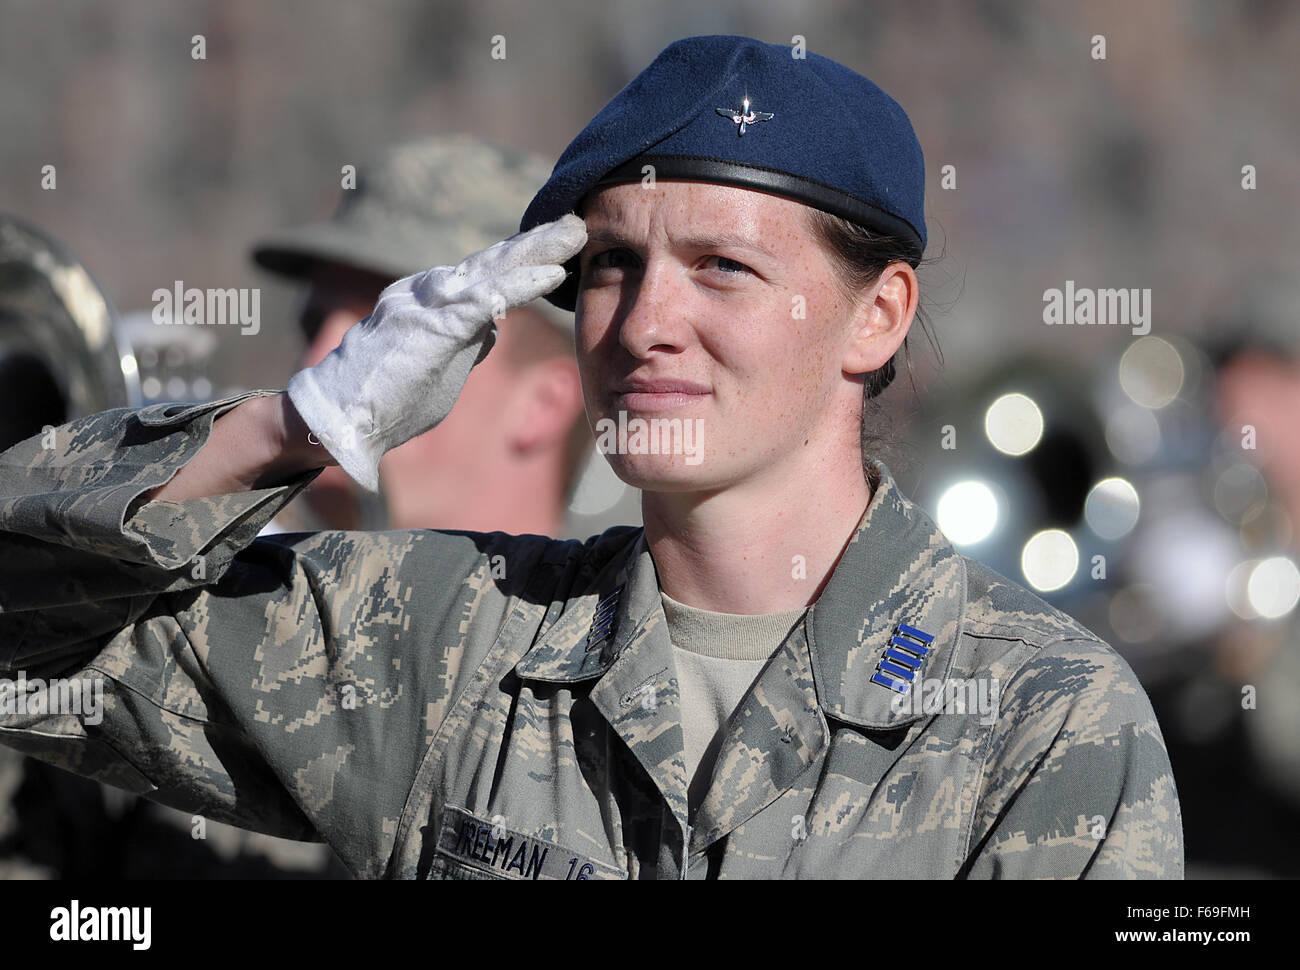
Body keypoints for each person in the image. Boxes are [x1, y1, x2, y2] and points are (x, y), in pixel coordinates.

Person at [0, 35, 1182, 879]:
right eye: (612, 266)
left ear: (876, 315)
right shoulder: (456, 633)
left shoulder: (1041, 722)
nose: (646, 320)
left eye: (723, 266)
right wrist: (294, 425)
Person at [251, 134, 594, 537]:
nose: (314, 365)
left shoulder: (617, 601)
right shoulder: (243, 586)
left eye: (388, 329)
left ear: (544, 404)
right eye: (312, 327)